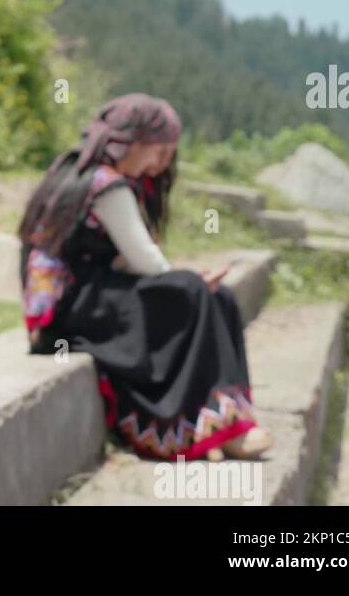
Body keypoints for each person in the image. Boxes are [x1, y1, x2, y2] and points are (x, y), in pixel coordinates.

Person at [17, 93, 272, 462]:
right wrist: (190, 279)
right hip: (69, 311)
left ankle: (224, 421)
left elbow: (126, 261)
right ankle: (208, 426)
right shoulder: (107, 184)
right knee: (191, 291)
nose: (161, 165)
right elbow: (146, 262)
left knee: (217, 296)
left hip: (81, 301)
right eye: (160, 152)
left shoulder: (85, 173)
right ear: (133, 142)